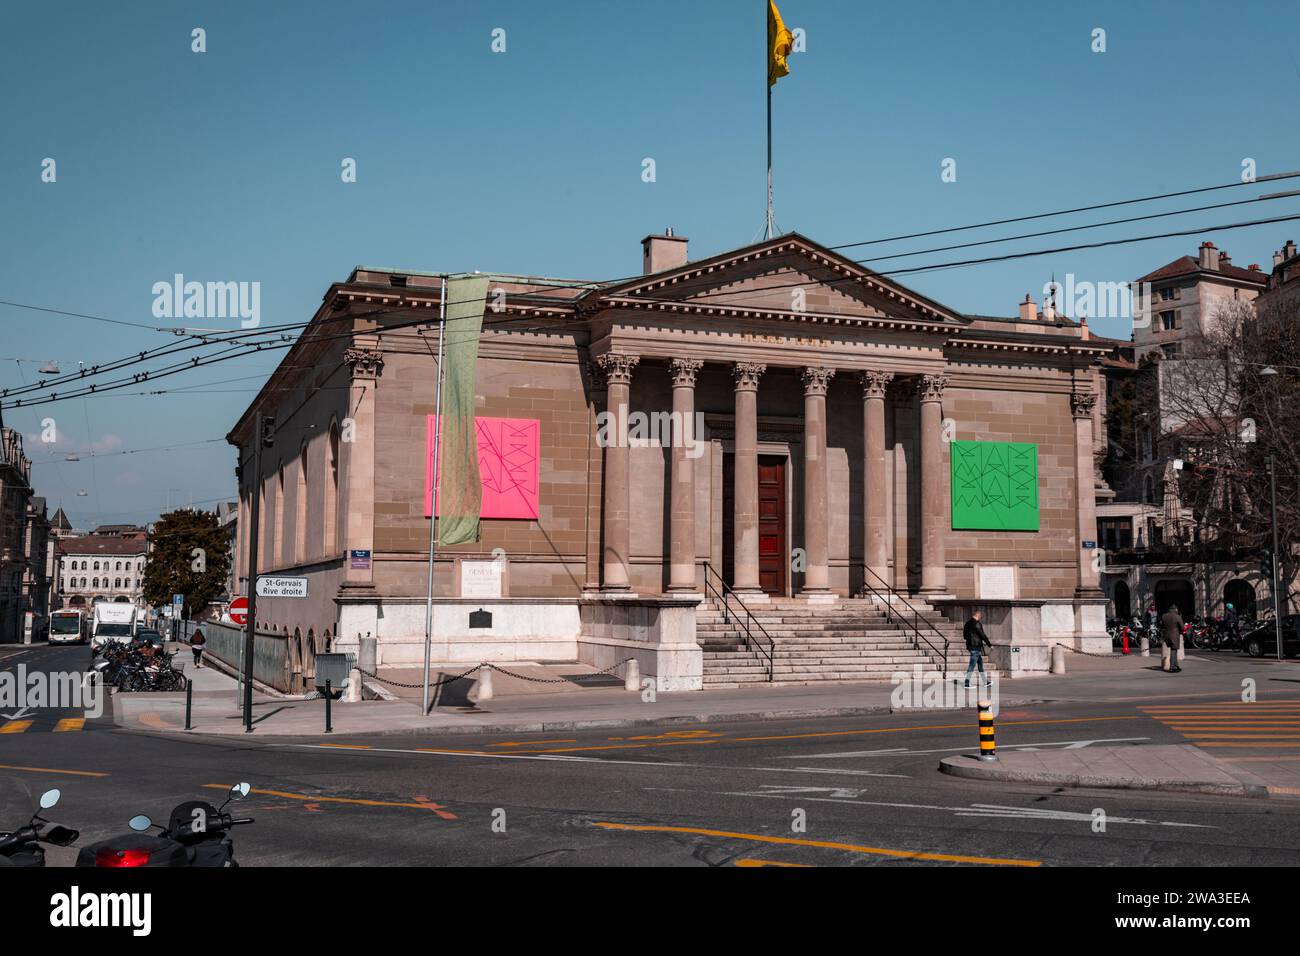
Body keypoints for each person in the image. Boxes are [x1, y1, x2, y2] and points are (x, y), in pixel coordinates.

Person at [962, 610, 993, 690]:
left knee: (980, 665)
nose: (980, 618)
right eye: (980, 617)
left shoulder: (967, 623)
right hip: (975, 647)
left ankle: (985, 682)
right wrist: (989, 645)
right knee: (972, 666)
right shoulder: (977, 624)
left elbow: (964, 636)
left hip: (970, 646)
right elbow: (982, 635)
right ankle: (967, 683)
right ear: (978, 616)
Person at [1160, 605, 1184, 673]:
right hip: (1174, 635)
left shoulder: (1164, 616)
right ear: (1176, 609)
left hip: (1166, 635)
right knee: (1173, 650)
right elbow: (1182, 627)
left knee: (1174, 650)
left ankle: (1176, 665)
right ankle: (1172, 667)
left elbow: (1161, 625)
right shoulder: (1177, 616)